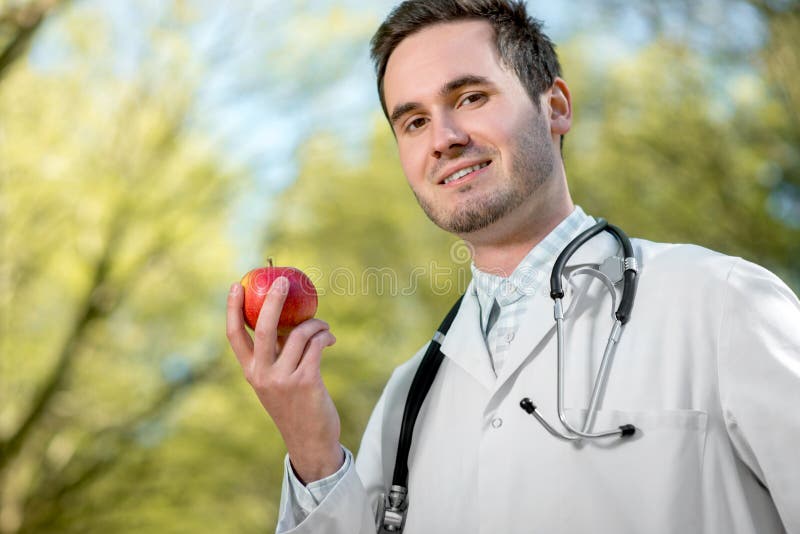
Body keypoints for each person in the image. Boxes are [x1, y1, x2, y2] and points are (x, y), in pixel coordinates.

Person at [225, 1, 800, 532]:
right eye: (414, 121)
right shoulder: (407, 398)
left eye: (471, 97)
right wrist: (312, 451)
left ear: (555, 108)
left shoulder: (721, 303)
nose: (444, 139)